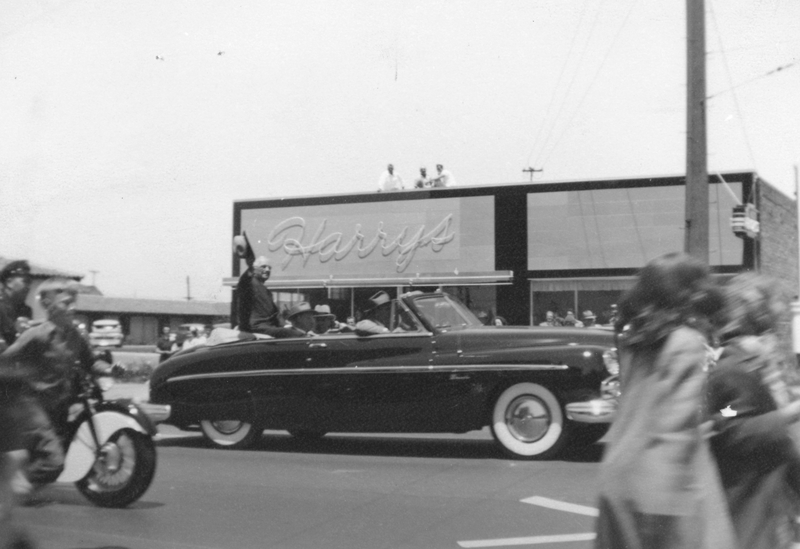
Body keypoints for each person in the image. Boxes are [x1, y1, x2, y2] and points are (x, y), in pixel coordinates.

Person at [594, 252, 736, 549]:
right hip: (660, 488)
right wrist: (726, 415)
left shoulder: (634, 341)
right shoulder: (687, 342)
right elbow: (675, 427)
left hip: (618, 476)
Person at [706, 272, 800, 549]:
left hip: (770, 505)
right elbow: (725, 421)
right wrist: (789, 412)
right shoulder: (733, 368)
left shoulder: (752, 362)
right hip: (748, 509)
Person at [1, 278, 109, 498]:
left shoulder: (75, 336)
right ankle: (11, 489)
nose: (73, 307)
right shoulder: (37, 334)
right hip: (34, 408)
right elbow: (6, 359)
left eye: (74, 302)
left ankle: (17, 486)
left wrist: (110, 369)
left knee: (45, 455)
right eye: (66, 302)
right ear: (48, 305)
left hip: (59, 405)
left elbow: (91, 362)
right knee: (54, 463)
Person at [233, 233, 282, 336]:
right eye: (263, 266)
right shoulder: (250, 282)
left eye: (269, 268)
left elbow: (275, 315)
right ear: (255, 269)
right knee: (296, 335)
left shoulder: (266, 291)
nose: (267, 270)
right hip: (255, 328)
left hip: (267, 327)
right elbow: (247, 278)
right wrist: (248, 255)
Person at [0, 260, 33, 351]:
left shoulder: (25, 310)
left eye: (30, 283)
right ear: (9, 282)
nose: (28, 287)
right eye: (25, 281)